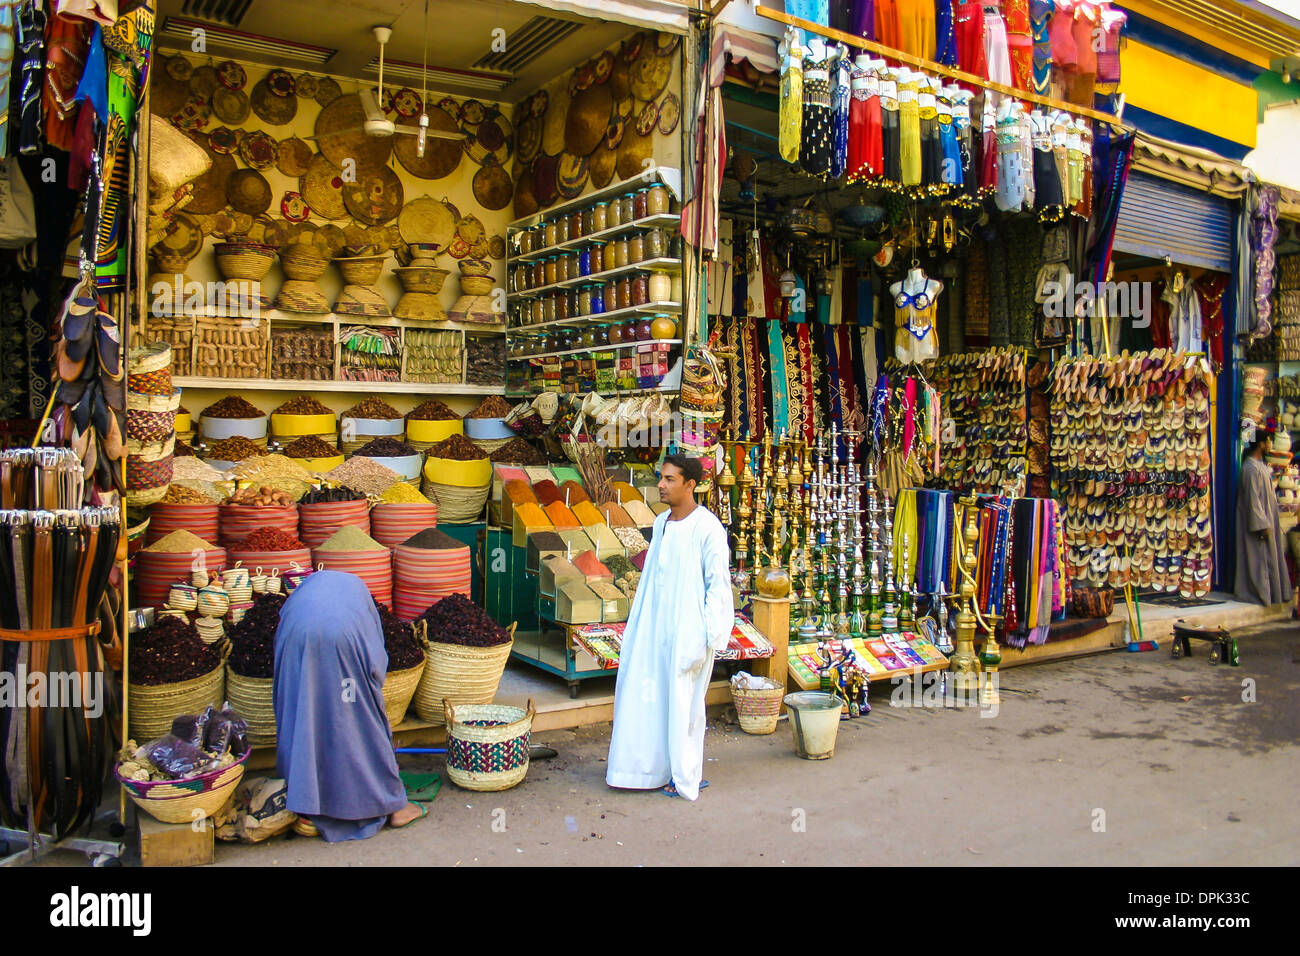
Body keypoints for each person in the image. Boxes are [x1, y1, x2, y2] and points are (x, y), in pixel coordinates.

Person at [606, 454, 734, 800]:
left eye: (670, 479)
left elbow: (718, 585)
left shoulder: (708, 528)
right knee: (645, 697)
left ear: (690, 485)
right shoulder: (662, 522)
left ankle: (684, 775)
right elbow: (652, 579)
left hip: (689, 630)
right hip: (654, 627)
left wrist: (711, 635)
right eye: (661, 478)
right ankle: (643, 770)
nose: (661, 485)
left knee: (684, 705)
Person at [273, 570, 427, 841]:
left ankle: (305, 800)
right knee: (361, 724)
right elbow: (375, 662)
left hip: (295, 640)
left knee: (306, 717)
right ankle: (393, 807)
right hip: (343, 641)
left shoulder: (300, 598)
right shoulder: (359, 598)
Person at [1234, 429, 1293, 606]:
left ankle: (1272, 595)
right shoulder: (1250, 468)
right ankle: (1259, 594)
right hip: (1259, 524)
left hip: (1268, 519)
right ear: (1260, 443)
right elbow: (1253, 499)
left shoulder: (1260, 466)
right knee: (1259, 560)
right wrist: (1261, 524)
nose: (1270, 445)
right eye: (1268, 441)